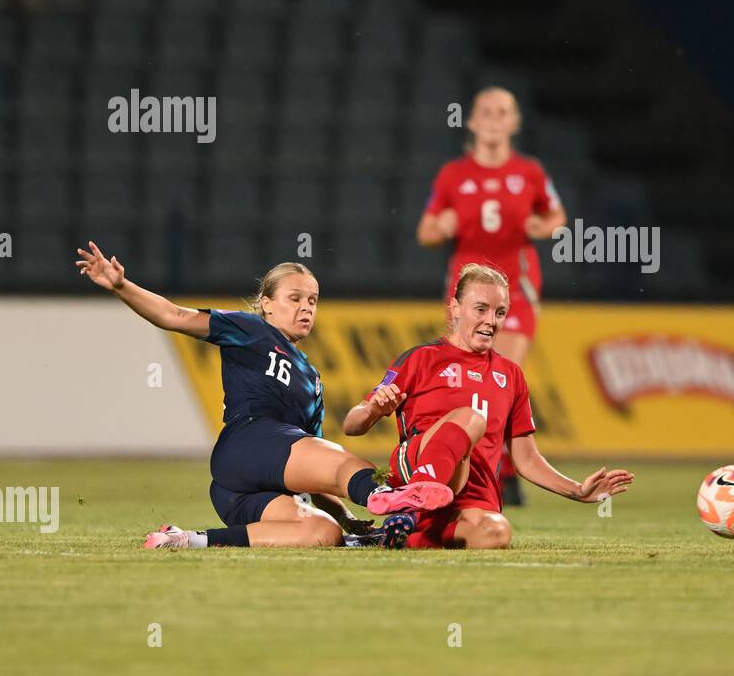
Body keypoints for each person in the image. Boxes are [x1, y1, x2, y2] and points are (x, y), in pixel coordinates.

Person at [74, 242, 451, 548]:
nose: (306, 307)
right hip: (246, 445)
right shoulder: (249, 328)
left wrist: (345, 518)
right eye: (295, 298)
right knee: (344, 462)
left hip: (237, 493)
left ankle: (186, 540)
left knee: (321, 534)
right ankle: (386, 494)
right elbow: (173, 316)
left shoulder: (312, 380)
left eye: (313, 300)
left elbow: (312, 470)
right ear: (266, 303)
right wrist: (122, 286)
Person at [343, 263, 633, 548]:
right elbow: (352, 425)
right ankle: (411, 508)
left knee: (496, 533)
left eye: (500, 312)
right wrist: (373, 410)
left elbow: (526, 458)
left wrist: (577, 490)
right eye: (481, 309)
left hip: (474, 496)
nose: (491, 321)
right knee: (471, 419)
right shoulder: (421, 358)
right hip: (415, 468)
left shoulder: (511, 375)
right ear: (455, 308)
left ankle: (397, 534)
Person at [415, 87, 567, 505]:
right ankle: (467, 466)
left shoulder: (530, 172)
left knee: (503, 373)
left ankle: (505, 473)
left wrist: (545, 226)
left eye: (503, 111)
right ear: (473, 121)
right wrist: (442, 225)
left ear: (514, 122)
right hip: (466, 285)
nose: (495, 119)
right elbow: (426, 231)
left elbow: (556, 215)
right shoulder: (453, 176)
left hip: (515, 285)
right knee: (468, 374)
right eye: (487, 111)